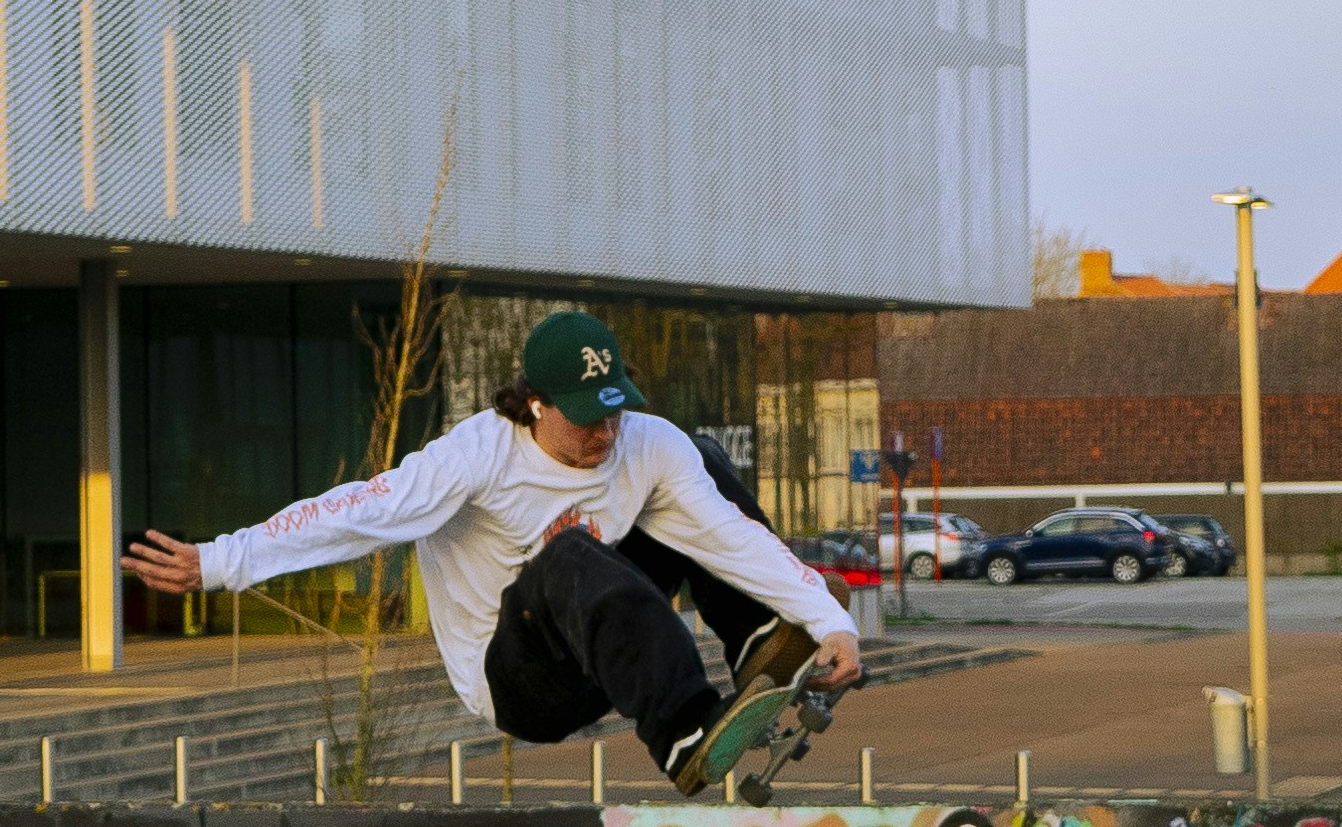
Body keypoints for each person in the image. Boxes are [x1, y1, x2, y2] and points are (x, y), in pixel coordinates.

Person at [126, 307, 862, 798]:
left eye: (613, 416)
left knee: (699, 462)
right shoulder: (473, 460)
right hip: (519, 680)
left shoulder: (644, 445)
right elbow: (359, 513)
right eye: (584, 423)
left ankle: (767, 641)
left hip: (607, 636)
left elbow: (732, 538)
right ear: (536, 404)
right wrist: (220, 561)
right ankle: (685, 736)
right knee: (569, 556)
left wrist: (831, 621)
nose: (604, 438)